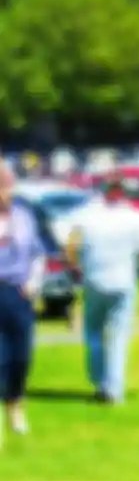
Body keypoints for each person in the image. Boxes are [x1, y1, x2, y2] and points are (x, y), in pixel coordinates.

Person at [65, 172, 139, 405]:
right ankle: (114, 388)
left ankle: (100, 381)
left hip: (94, 281)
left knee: (94, 334)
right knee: (119, 336)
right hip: (123, 282)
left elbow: (71, 243)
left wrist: (76, 268)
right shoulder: (135, 218)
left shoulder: (88, 215)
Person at [0, 161, 44, 444]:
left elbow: (37, 253)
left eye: (8, 185)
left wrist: (34, 282)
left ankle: (15, 405)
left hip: (17, 292)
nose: (7, 192)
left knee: (21, 355)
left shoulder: (24, 216)